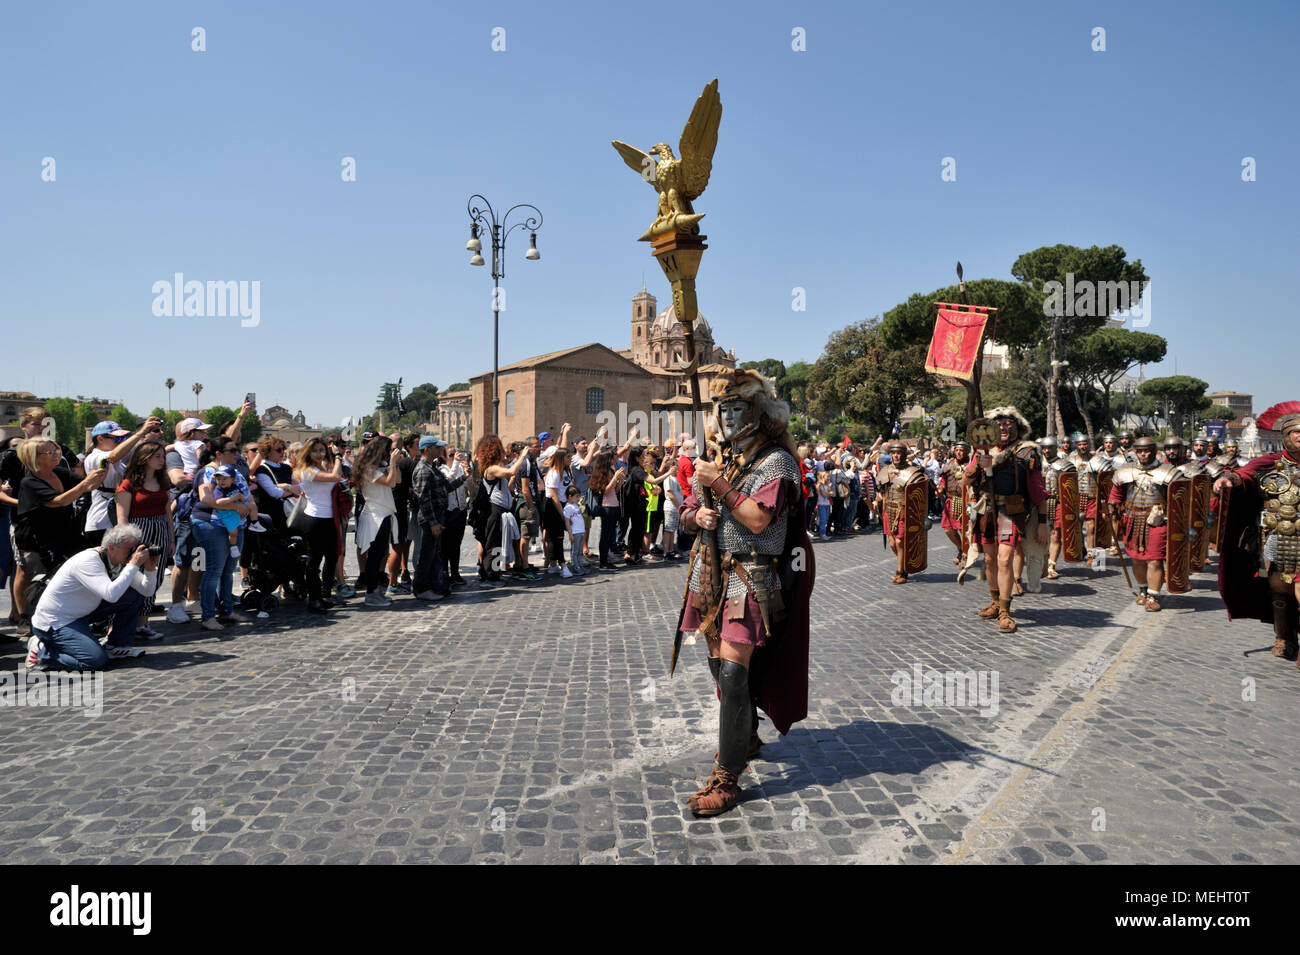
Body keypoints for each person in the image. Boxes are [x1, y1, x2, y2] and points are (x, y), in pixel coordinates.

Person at [677, 369, 812, 817]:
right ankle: (747, 733)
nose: (730, 416)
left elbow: (759, 521)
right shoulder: (724, 458)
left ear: (759, 412)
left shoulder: (777, 461)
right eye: (724, 408)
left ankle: (727, 777)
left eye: (739, 407)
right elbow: (688, 509)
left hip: (750, 577)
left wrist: (717, 483)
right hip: (710, 574)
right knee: (720, 669)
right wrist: (697, 516)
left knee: (734, 675)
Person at [1215, 402, 1300, 666]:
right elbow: (1246, 475)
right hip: (1278, 538)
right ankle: (1283, 636)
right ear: (1286, 437)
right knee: (1280, 594)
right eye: (1296, 431)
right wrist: (1230, 480)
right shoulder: (1270, 463)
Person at [964, 407, 1049, 632]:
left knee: (1004, 559)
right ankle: (994, 602)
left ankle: (1005, 611)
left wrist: (1042, 522)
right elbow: (966, 481)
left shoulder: (1027, 452)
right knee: (990, 560)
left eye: (1008, 423)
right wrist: (977, 466)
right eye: (998, 424)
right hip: (986, 510)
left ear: (1017, 427)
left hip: (1010, 511)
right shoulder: (981, 450)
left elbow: (1039, 491)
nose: (1003, 427)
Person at [27, 524, 155, 670]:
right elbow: (111, 595)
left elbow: (146, 591)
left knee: (133, 595)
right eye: (129, 549)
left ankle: (116, 645)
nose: (133, 554)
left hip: (81, 614)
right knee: (95, 660)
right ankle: (42, 651)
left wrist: (150, 569)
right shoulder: (88, 561)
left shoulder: (117, 560)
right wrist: (133, 564)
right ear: (112, 547)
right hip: (57, 622)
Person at [1108, 436, 1176, 611]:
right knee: (1137, 559)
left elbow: (1180, 498)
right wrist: (1112, 507)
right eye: (1139, 451)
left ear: (1154, 451)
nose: (1143, 454)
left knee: (1154, 560)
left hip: (1157, 521)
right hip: (1132, 519)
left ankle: (1153, 596)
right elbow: (1115, 495)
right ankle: (1143, 590)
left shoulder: (1169, 471)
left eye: (1146, 451)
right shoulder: (1124, 471)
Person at [114, 441, 173, 639]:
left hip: (161, 530)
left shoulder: (162, 482)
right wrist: (127, 543)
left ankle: (143, 624)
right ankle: (125, 624)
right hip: (139, 532)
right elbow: (122, 518)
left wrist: (171, 539)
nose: (161, 460)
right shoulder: (128, 484)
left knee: (154, 578)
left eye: (162, 456)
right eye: (157, 456)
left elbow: (167, 513)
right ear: (143, 458)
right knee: (135, 579)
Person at [82, 416, 163, 548]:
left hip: (115, 521)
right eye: (117, 438)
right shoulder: (95, 457)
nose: (121, 442)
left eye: (123, 438)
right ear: (100, 439)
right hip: (101, 524)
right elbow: (113, 456)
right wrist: (141, 432)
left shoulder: (118, 459)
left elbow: (142, 450)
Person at [293, 437, 345, 614]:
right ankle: (314, 599)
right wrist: (338, 457)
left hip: (330, 518)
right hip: (314, 519)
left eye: (322, 450)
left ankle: (325, 595)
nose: (318, 454)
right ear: (308, 452)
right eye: (314, 450)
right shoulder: (307, 470)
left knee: (332, 558)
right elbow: (335, 477)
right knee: (314, 561)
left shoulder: (323, 465)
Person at [353, 433, 403, 607]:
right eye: (388, 450)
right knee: (374, 556)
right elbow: (389, 483)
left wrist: (392, 464)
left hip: (384, 513)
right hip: (375, 516)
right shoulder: (368, 469)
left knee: (380, 553)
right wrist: (392, 462)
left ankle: (375, 591)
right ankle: (371, 593)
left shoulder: (379, 465)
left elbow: (397, 480)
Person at [473, 435, 531, 586]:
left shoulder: (495, 467)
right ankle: (490, 577)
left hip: (499, 510)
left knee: (497, 545)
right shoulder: (491, 469)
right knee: (493, 545)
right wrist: (522, 456)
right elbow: (511, 472)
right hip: (494, 511)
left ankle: (494, 574)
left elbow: (509, 477)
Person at [410, 436, 451, 600]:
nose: (439, 449)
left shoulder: (432, 467)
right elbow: (424, 500)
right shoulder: (423, 470)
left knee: (433, 554)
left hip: (437, 517)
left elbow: (445, 488)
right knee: (426, 555)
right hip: (430, 519)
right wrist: (433, 522)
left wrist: (463, 479)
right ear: (427, 450)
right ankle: (421, 588)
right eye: (436, 447)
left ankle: (433, 585)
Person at [589, 450, 626, 570]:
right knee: (605, 534)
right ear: (609, 459)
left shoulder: (611, 470)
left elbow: (614, 490)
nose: (617, 457)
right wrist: (615, 477)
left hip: (613, 504)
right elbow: (606, 491)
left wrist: (619, 481)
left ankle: (606, 560)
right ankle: (603, 562)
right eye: (615, 456)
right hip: (606, 506)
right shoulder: (603, 473)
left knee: (610, 534)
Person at [938, 441, 971, 565]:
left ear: (966, 451)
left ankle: (965, 554)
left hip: (968, 501)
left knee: (966, 530)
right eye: (957, 450)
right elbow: (943, 480)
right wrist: (940, 488)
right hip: (952, 500)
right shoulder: (948, 465)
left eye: (961, 450)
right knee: (948, 529)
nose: (958, 452)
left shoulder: (971, 465)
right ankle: (961, 548)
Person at [563, 485, 587, 577]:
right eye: (577, 496)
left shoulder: (575, 505)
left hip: (581, 531)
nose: (578, 498)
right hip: (575, 532)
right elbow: (567, 522)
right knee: (575, 551)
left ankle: (579, 565)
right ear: (570, 496)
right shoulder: (568, 508)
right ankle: (575, 566)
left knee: (579, 550)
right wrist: (570, 534)